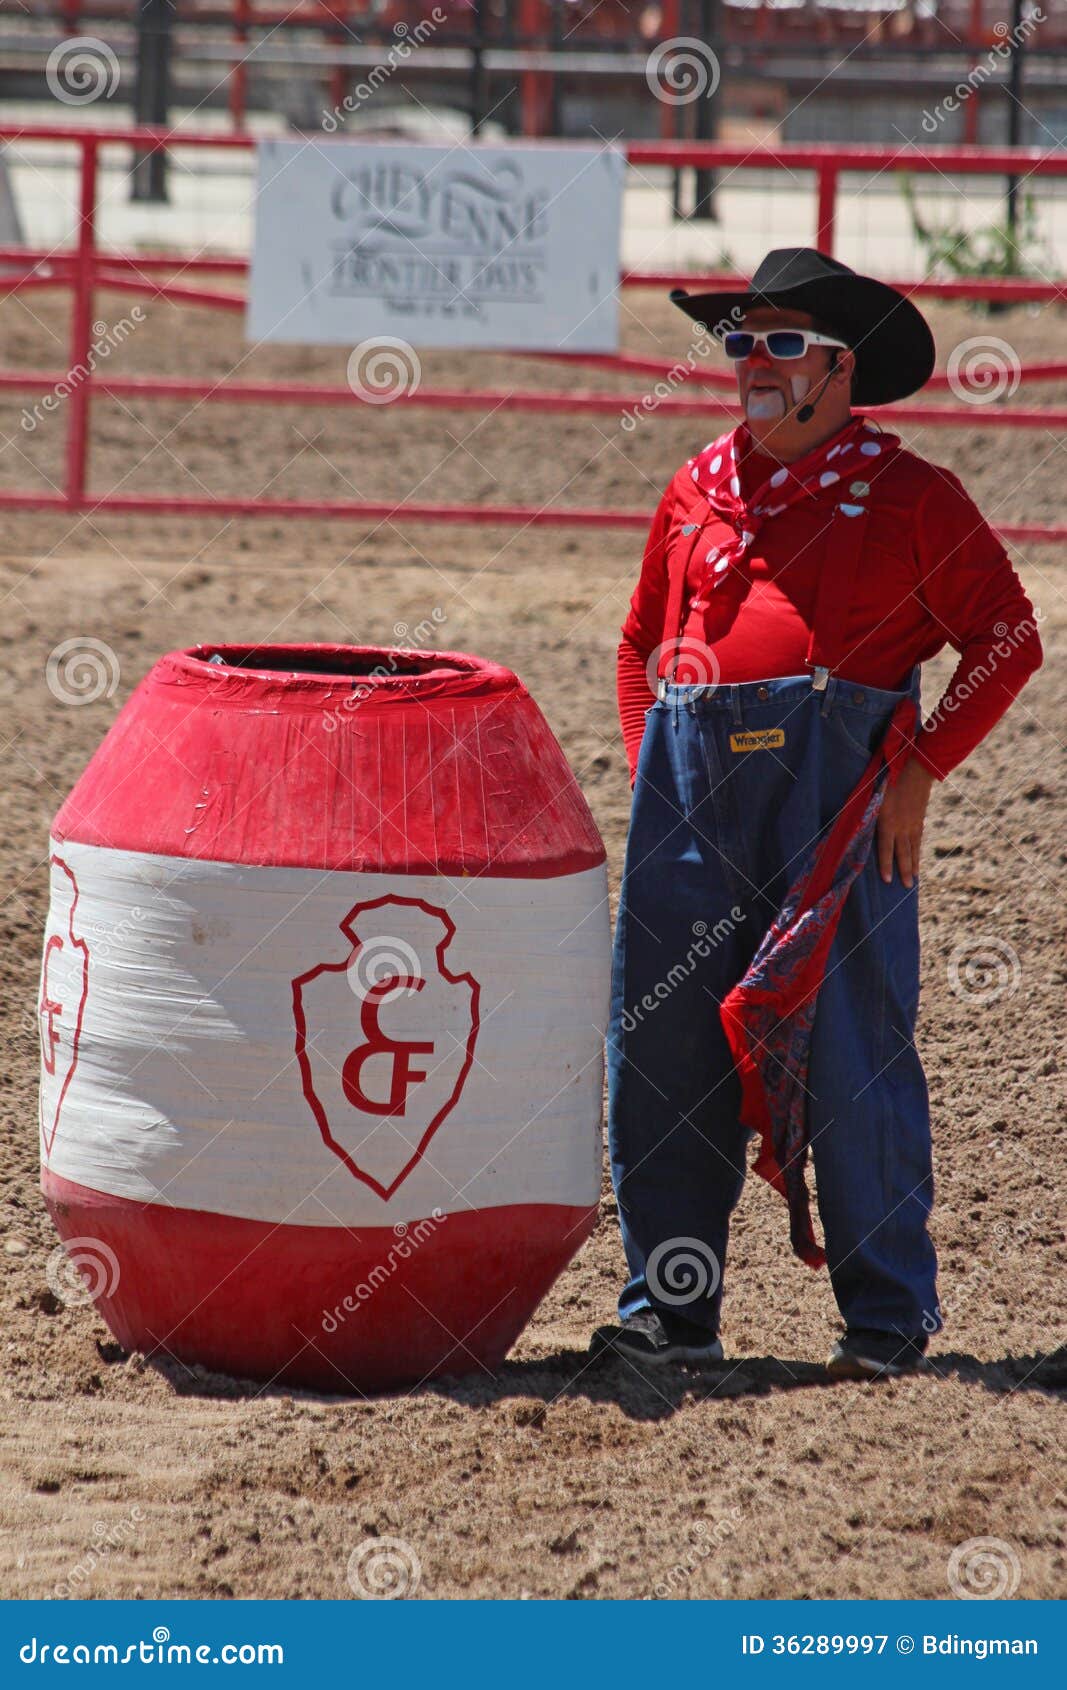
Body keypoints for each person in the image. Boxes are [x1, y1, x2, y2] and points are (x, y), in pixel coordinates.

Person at [593, 248, 1043, 1380]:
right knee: (663, 1051)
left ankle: (884, 1320)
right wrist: (660, 781)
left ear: (841, 369)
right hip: (692, 818)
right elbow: (638, 649)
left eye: (781, 342)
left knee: (854, 1052)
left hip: (836, 820)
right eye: (740, 340)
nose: (752, 361)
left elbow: (1004, 636)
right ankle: (670, 1307)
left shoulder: (908, 497)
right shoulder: (692, 488)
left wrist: (917, 771)